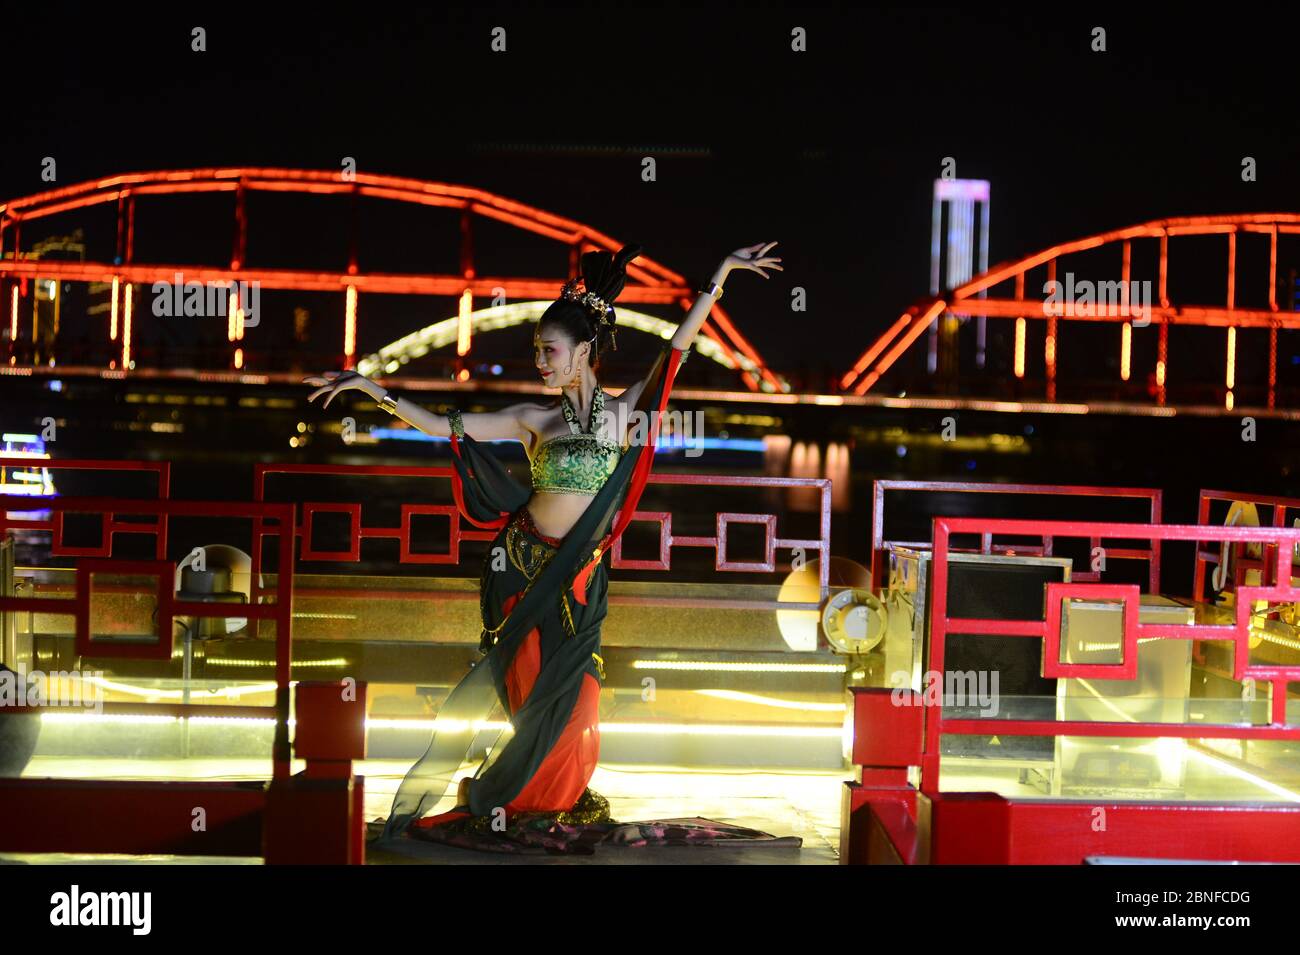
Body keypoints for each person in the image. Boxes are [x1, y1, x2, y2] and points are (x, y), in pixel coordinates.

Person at [303, 241, 782, 849]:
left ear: (583, 353)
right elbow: (439, 425)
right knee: (529, 695)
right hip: (521, 567)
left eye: (547, 351)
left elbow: (677, 349)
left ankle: (541, 799)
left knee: (579, 702)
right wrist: (368, 387)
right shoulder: (534, 417)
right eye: (535, 351)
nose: (539, 361)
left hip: (580, 579)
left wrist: (719, 277)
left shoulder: (625, 412)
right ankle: (512, 802)